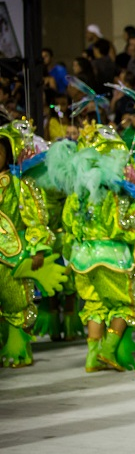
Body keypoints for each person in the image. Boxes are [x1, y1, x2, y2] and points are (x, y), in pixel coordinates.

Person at [43, 127, 135, 372]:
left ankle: (92, 358)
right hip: (111, 257)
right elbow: (121, 227)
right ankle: (108, 350)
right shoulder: (113, 192)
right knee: (127, 304)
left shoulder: (76, 193)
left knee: (94, 305)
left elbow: (68, 222)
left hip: (82, 258)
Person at [0, 129, 61, 368]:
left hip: (15, 257)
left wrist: (37, 249)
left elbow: (36, 219)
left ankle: (18, 351)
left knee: (18, 304)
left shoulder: (19, 185)